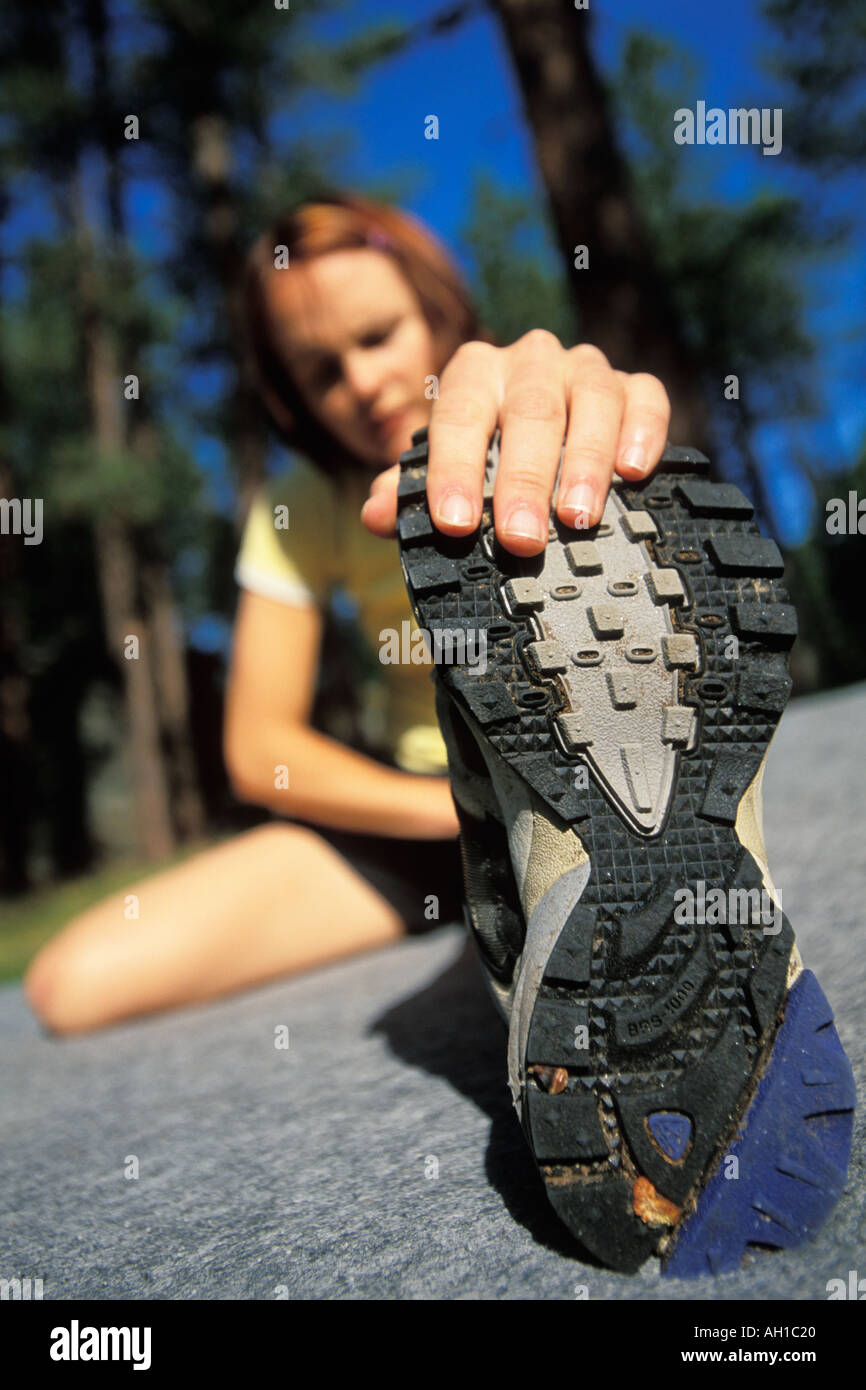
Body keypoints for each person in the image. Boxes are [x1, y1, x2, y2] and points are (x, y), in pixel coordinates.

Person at [23, 192, 671, 1036]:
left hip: (591, 781)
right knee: (70, 986)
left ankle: (629, 824)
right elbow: (261, 750)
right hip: (425, 817)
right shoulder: (299, 508)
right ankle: (508, 873)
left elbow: (557, 387)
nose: (361, 383)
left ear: (435, 306)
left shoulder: (528, 406)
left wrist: (589, 401)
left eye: (376, 337)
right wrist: (460, 811)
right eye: (322, 371)